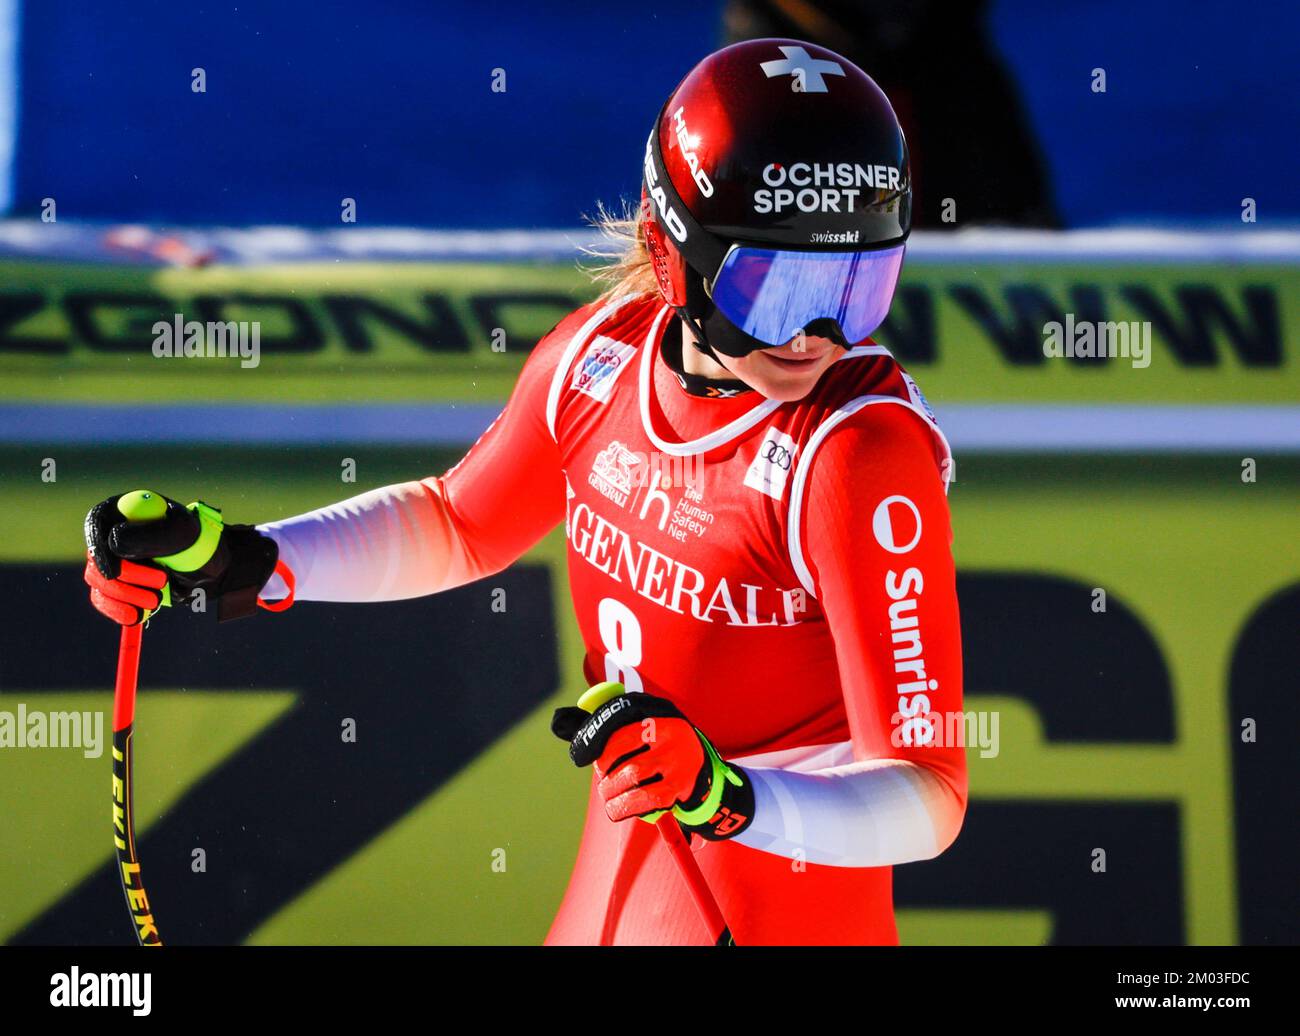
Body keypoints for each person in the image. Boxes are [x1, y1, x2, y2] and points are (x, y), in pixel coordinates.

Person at [83, 38, 966, 945]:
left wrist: (724, 795)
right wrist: (248, 558)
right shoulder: (601, 359)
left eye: (858, 283)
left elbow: (930, 799)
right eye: (776, 284)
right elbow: (459, 522)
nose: (818, 333)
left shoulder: (857, 453)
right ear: (673, 259)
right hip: (613, 902)